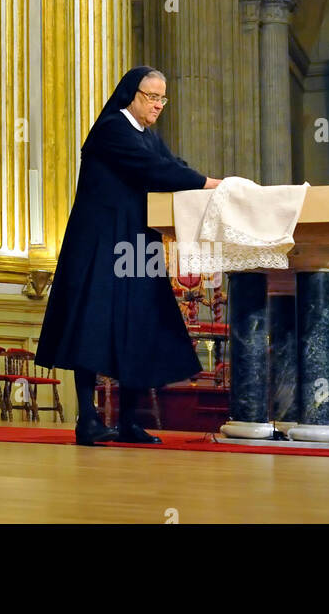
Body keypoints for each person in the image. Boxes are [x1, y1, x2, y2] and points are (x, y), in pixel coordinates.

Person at [35, 66, 221, 445]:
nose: (157, 105)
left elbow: (173, 166)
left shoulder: (147, 136)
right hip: (100, 243)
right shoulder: (111, 130)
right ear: (130, 95)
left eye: (162, 98)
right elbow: (155, 170)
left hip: (136, 242)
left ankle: (128, 422)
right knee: (92, 325)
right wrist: (209, 184)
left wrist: (204, 182)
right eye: (151, 97)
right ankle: (87, 419)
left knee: (141, 325)